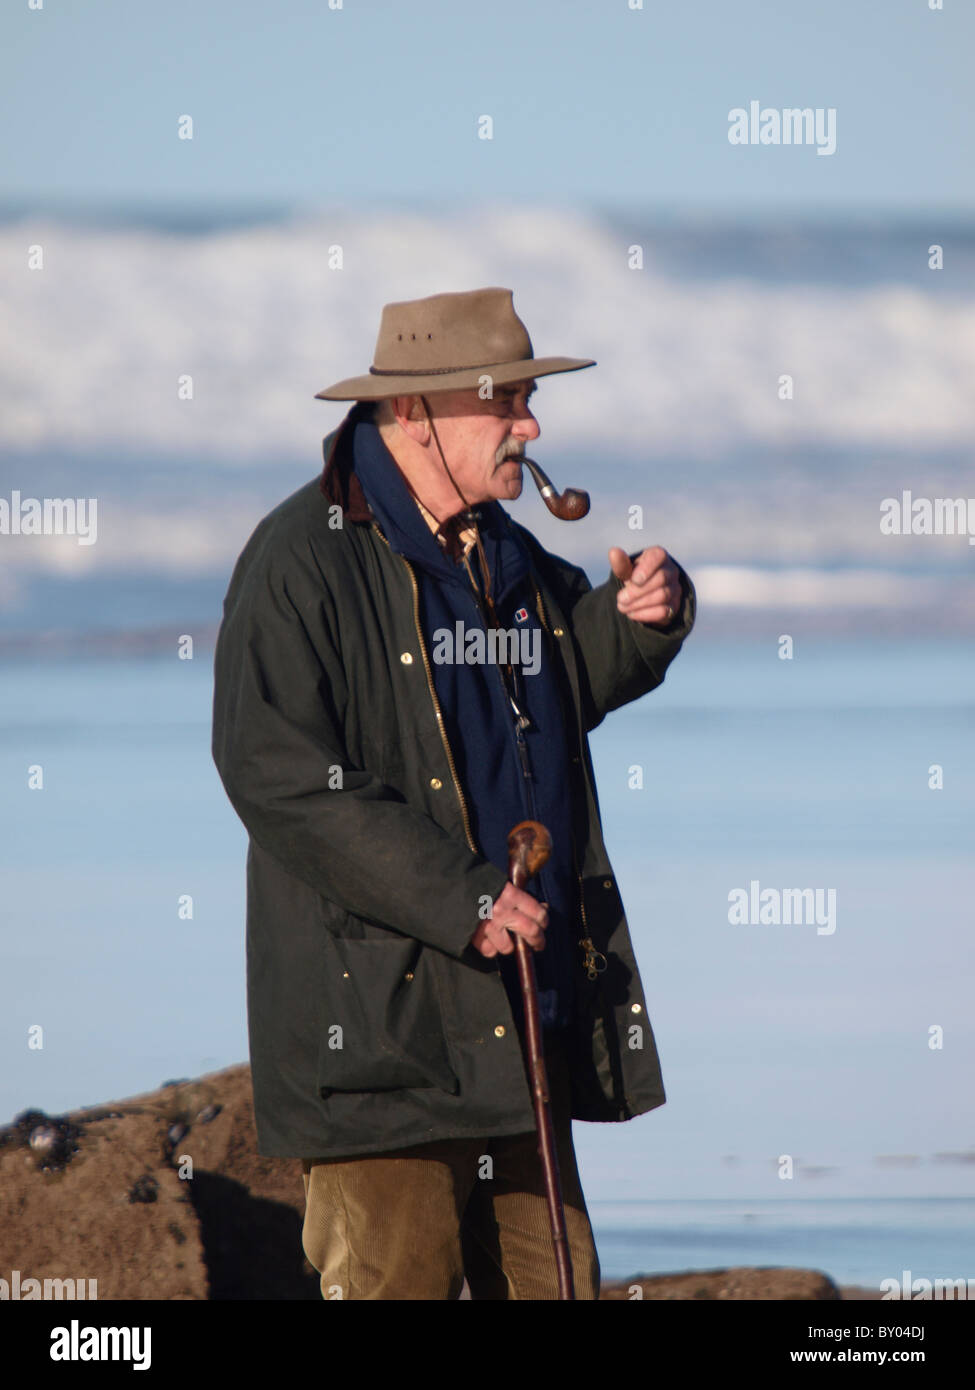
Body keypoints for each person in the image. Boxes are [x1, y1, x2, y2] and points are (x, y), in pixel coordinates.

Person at [210, 287, 696, 1300]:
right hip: (381, 1046)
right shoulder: (301, 561)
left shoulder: (502, 549)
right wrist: (460, 898)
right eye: (507, 401)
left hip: (517, 1025)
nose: (531, 423)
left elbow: (572, 675)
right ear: (414, 413)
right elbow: (275, 772)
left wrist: (645, 614)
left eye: (527, 398)